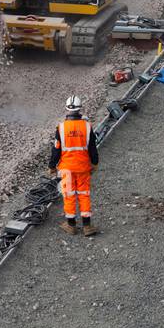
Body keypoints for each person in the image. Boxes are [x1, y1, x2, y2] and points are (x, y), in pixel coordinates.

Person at [49, 95, 99, 236]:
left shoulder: (61, 128)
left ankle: (71, 225)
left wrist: (52, 166)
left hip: (67, 168)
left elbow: (56, 150)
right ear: (80, 108)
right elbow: (92, 148)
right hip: (83, 167)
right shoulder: (87, 127)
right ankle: (87, 226)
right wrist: (94, 163)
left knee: (69, 195)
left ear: (67, 109)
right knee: (84, 195)